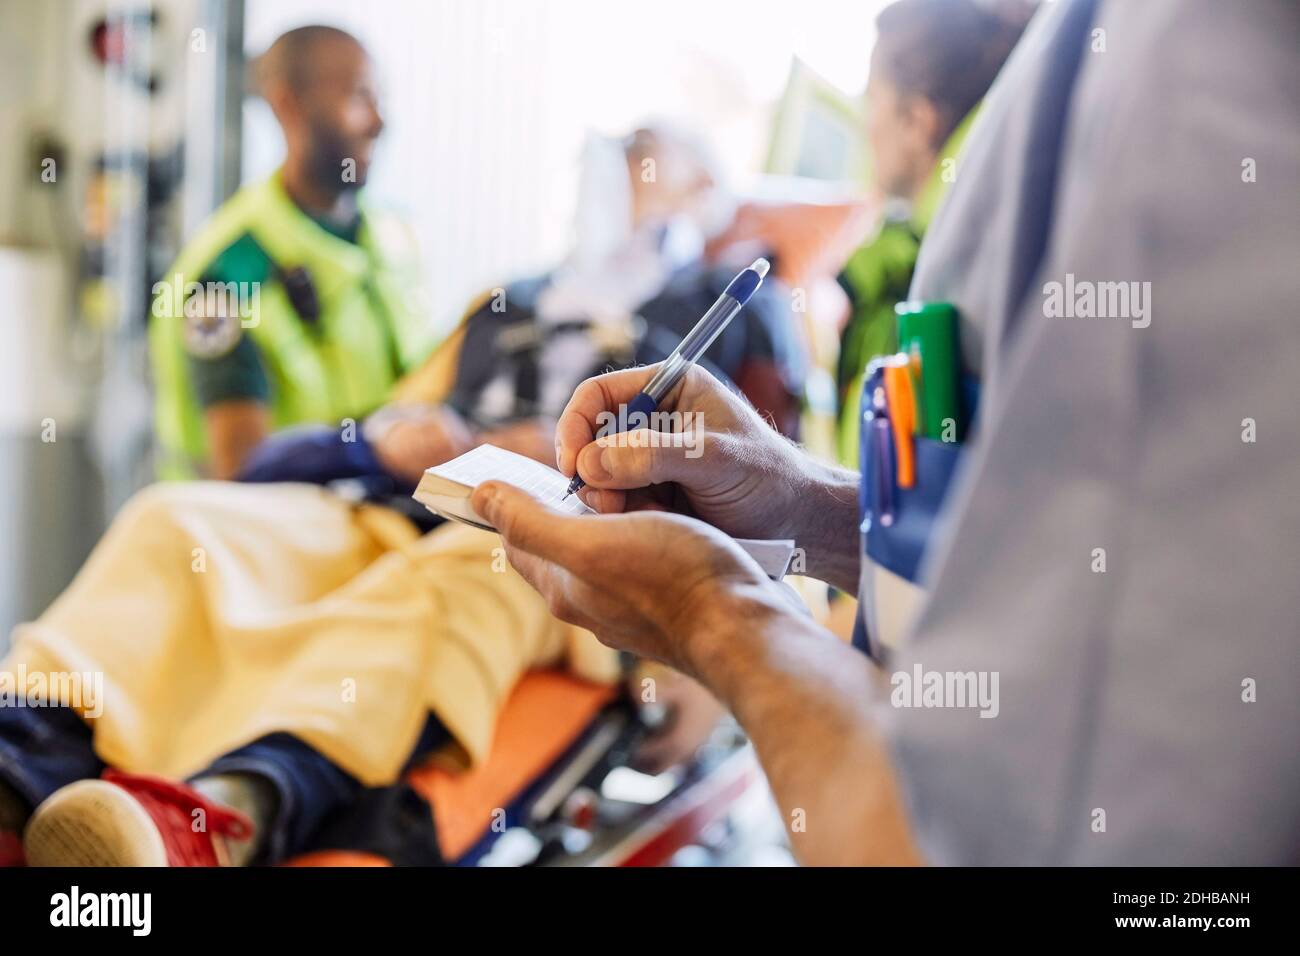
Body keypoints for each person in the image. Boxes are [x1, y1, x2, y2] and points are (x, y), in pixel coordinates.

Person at [473, 0, 1300, 865]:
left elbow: (978, 841)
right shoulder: (1094, 60)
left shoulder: (1206, 83)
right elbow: (1020, 542)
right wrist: (806, 507)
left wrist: (710, 619)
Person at [0, 125, 804, 867]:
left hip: (572, 555)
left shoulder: (742, 315)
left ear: (707, 192)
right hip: (408, 507)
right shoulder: (503, 307)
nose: (624, 171)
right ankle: (23, 765)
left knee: (453, 582)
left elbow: (780, 506)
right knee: (174, 522)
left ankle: (216, 819)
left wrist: (712, 657)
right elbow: (296, 456)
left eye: (654, 159)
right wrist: (376, 443)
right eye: (625, 152)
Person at [149, 25, 433, 480]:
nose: (380, 121)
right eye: (359, 97)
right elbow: (238, 468)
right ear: (288, 105)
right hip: (261, 545)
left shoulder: (393, 238)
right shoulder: (227, 272)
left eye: (380, 97)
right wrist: (376, 450)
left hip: (376, 529)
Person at [834, 0, 1034, 466]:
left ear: (916, 121)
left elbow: (875, 483)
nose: (866, 126)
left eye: (872, 100)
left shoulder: (919, 267)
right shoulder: (1006, 209)